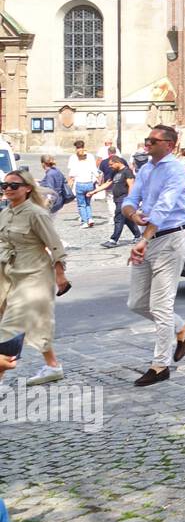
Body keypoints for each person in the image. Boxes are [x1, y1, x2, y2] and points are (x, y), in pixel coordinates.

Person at [121, 125, 185, 388]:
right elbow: (129, 200)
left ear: (170, 144)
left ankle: (160, 366)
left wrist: (143, 238)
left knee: (161, 306)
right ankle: (183, 328)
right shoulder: (145, 169)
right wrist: (133, 215)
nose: (148, 144)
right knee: (136, 302)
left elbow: (165, 205)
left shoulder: (176, 169)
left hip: (170, 239)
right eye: (147, 139)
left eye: (154, 140)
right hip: (149, 239)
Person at [0, 170, 71, 387]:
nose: (8, 189)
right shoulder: (5, 213)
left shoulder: (36, 213)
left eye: (14, 185)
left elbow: (55, 244)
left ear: (28, 188)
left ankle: (0, 376)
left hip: (34, 275)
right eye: (5, 185)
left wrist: (60, 274)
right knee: (35, 323)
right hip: (8, 273)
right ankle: (52, 365)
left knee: (9, 327)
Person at [89, 155, 140, 248]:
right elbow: (108, 183)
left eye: (111, 164)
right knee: (128, 220)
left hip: (124, 199)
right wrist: (94, 191)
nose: (110, 167)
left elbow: (131, 186)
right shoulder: (115, 172)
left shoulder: (127, 172)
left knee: (118, 219)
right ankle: (138, 236)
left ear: (118, 162)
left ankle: (113, 240)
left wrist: (129, 200)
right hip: (117, 199)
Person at [66, 140, 99, 228]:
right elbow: (96, 172)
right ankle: (90, 218)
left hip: (79, 183)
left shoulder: (74, 159)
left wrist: (68, 187)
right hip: (89, 183)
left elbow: (71, 176)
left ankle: (85, 221)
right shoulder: (90, 158)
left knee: (81, 204)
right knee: (88, 203)